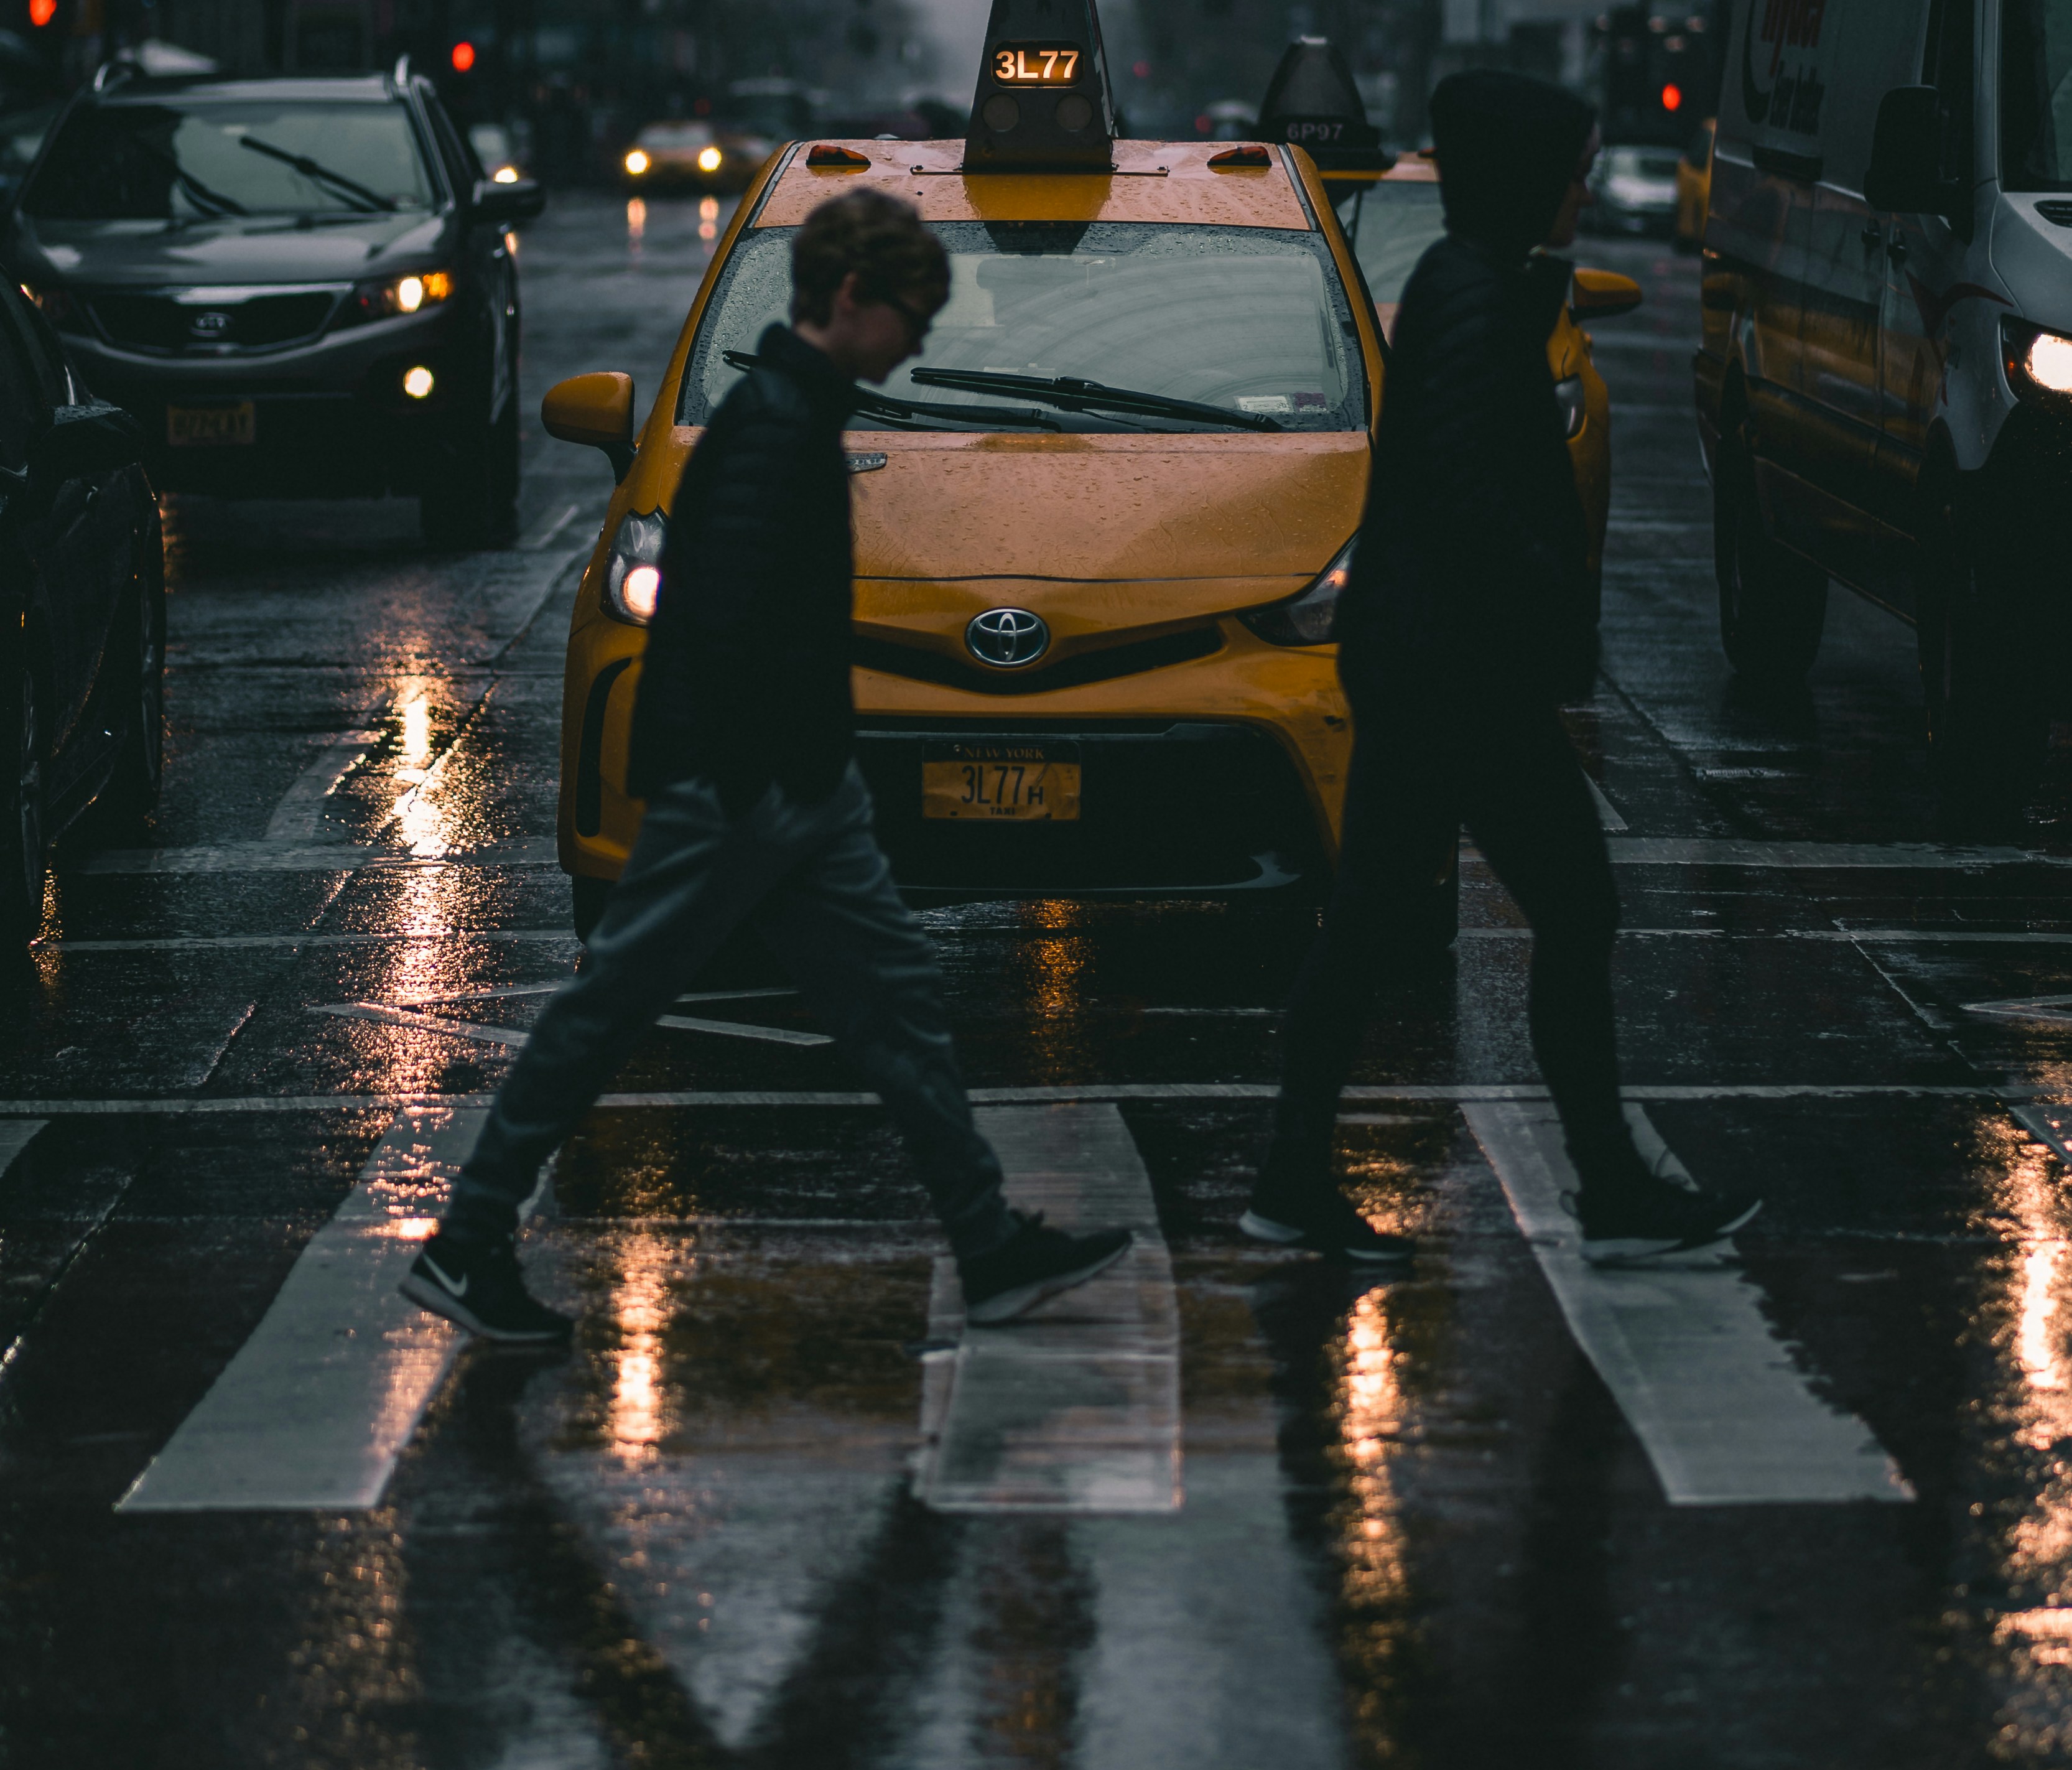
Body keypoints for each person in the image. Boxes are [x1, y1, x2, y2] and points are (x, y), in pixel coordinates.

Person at [407, 184, 1133, 1344]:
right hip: (749, 794)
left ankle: (989, 1240)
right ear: (850, 297)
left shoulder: (791, 408)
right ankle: (466, 1240)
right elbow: (726, 619)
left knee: (897, 1010)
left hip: (793, 792)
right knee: (611, 1010)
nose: (917, 343)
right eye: (909, 315)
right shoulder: (777, 422)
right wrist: (763, 788)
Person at [1243, 68, 1758, 1270]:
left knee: (1372, 921)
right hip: (1462, 681)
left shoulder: (1469, 286)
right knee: (1572, 908)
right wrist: (1542, 581)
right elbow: (1474, 498)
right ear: (1531, 176)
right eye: (1575, 166)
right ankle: (1613, 1193)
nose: (1587, 186)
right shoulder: (1473, 300)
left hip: (1433, 668)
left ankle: (1291, 1178)